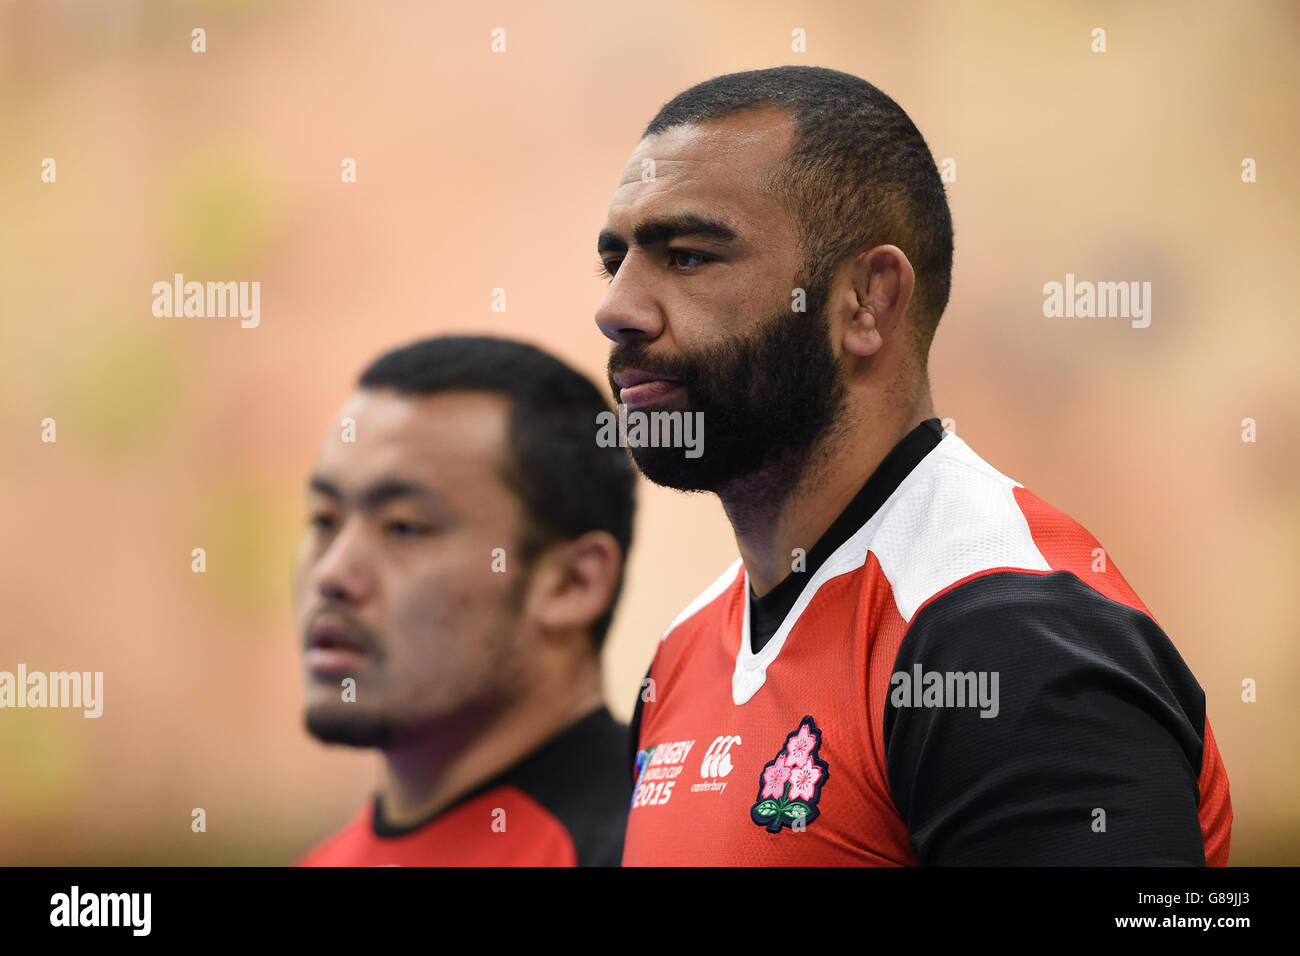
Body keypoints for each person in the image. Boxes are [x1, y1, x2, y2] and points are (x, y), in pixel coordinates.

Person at [593, 66, 1231, 865]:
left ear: (867, 299)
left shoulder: (1007, 640)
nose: (616, 309)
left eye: (685, 256)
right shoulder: (683, 652)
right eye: (613, 262)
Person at [294, 336, 636, 866]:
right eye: (324, 520)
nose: (333, 574)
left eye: (404, 527)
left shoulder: (661, 842)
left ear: (573, 583)